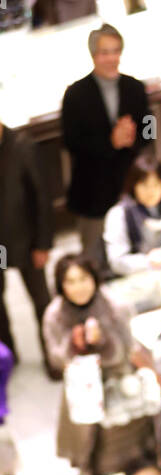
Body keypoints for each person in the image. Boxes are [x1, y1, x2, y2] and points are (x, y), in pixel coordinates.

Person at [42, 256, 159, 475]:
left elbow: (125, 349)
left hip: (120, 390)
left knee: (136, 454)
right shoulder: (55, 314)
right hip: (83, 394)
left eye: (83, 279)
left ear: (94, 278)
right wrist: (77, 344)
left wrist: (102, 341)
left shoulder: (115, 305)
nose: (78, 287)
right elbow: (55, 358)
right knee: (92, 459)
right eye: (70, 281)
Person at [61, 23, 153, 266]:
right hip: (92, 193)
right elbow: (71, 142)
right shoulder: (75, 94)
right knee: (95, 261)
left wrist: (133, 137)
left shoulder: (135, 88)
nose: (111, 58)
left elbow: (150, 130)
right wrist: (110, 142)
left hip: (130, 187)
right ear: (93, 55)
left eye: (116, 51)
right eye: (105, 52)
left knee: (137, 254)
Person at [0, 119, 53, 371]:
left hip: (27, 239)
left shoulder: (22, 146)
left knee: (42, 301)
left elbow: (42, 198)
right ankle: (7, 356)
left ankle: (53, 355)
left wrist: (42, 243)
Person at [102, 153, 161, 278]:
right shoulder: (118, 214)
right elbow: (116, 261)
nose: (151, 191)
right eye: (144, 185)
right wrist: (148, 261)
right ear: (133, 185)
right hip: (134, 281)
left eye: (156, 185)